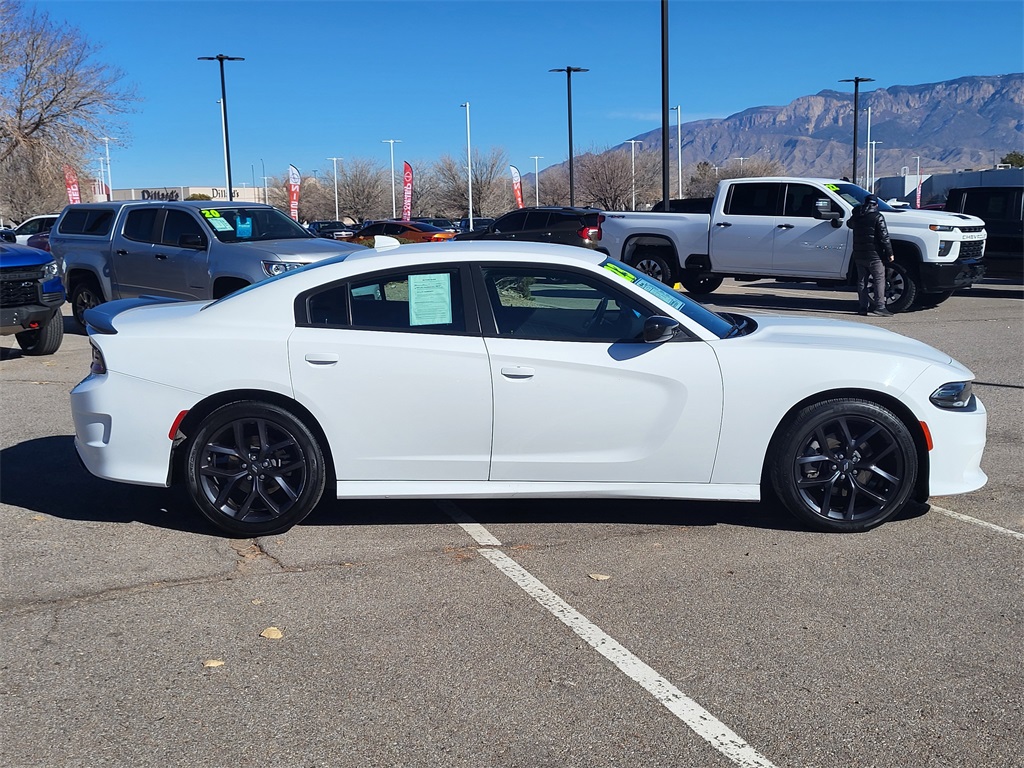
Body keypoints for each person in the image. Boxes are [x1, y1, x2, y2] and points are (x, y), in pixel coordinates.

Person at [847, 194, 895, 316]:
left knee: (862, 281)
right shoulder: (877, 216)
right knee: (879, 279)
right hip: (874, 255)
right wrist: (890, 253)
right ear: (876, 204)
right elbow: (884, 237)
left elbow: (849, 224)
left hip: (858, 253)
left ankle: (863, 307)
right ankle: (880, 306)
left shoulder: (857, 215)